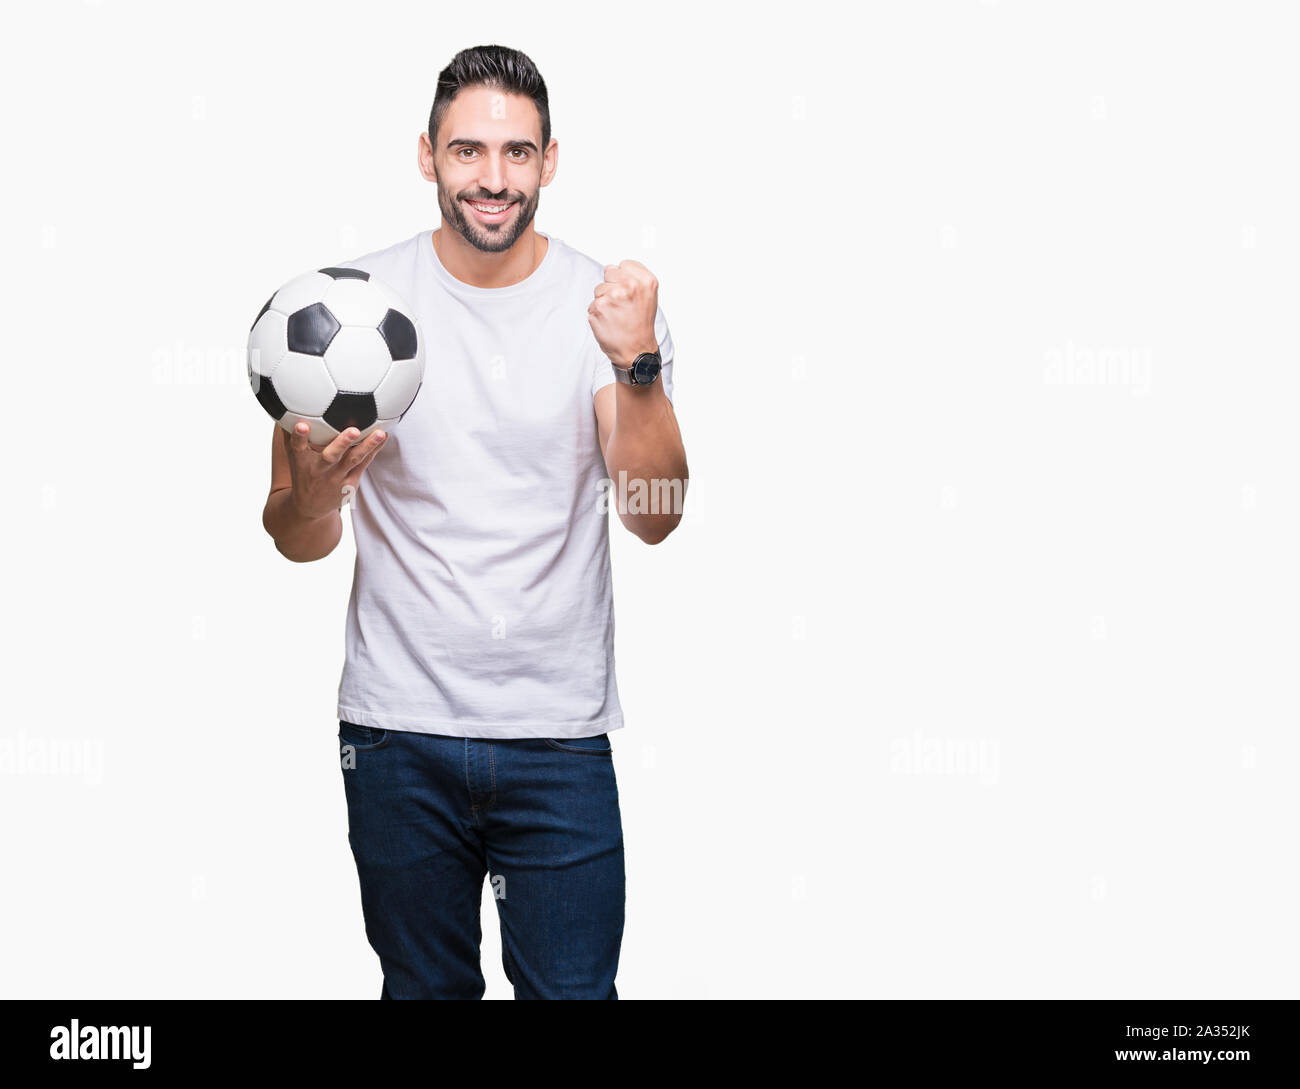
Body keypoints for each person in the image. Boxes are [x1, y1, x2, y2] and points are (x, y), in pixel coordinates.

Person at [260, 43, 688, 999]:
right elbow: (296, 534)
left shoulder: (608, 312)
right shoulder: (339, 312)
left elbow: (653, 517)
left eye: (517, 153)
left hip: (558, 735)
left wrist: (639, 364)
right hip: (395, 731)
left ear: (549, 160)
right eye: (467, 152)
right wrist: (317, 494)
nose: (493, 180)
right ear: (426, 156)